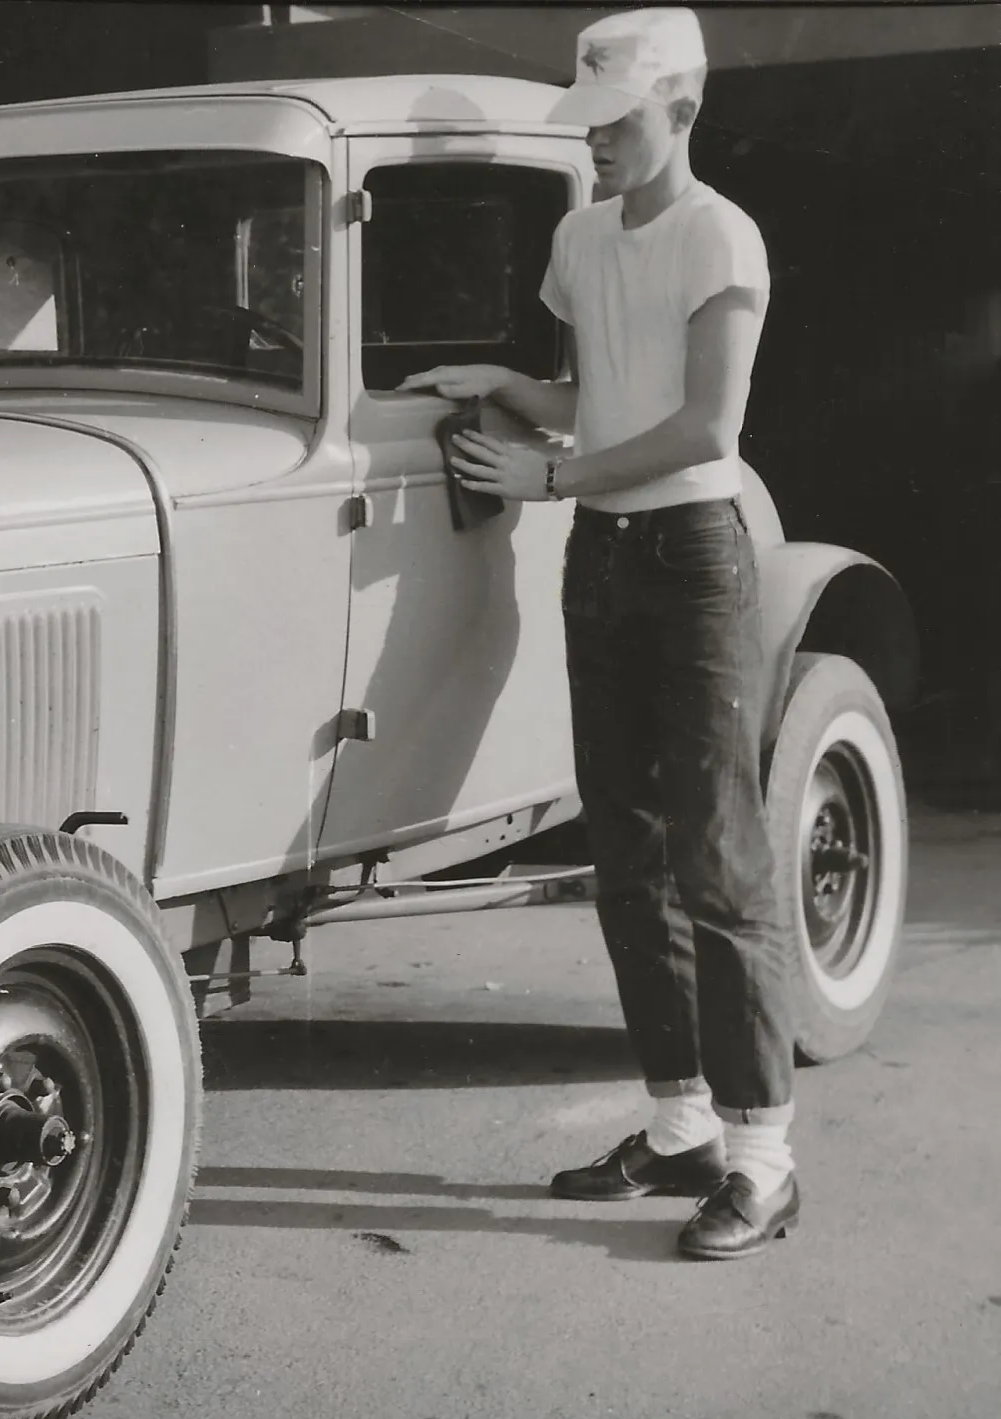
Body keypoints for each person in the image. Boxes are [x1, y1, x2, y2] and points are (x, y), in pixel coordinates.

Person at [400, 7, 798, 1260]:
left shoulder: (719, 236)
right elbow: (597, 391)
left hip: (687, 554)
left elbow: (702, 429)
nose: (597, 147)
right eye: (590, 125)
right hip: (604, 560)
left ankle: (762, 1159)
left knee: (717, 857)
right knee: (624, 851)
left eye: (617, 125)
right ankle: (679, 1124)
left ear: (679, 110)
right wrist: (504, 388)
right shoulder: (579, 236)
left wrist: (553, 480)